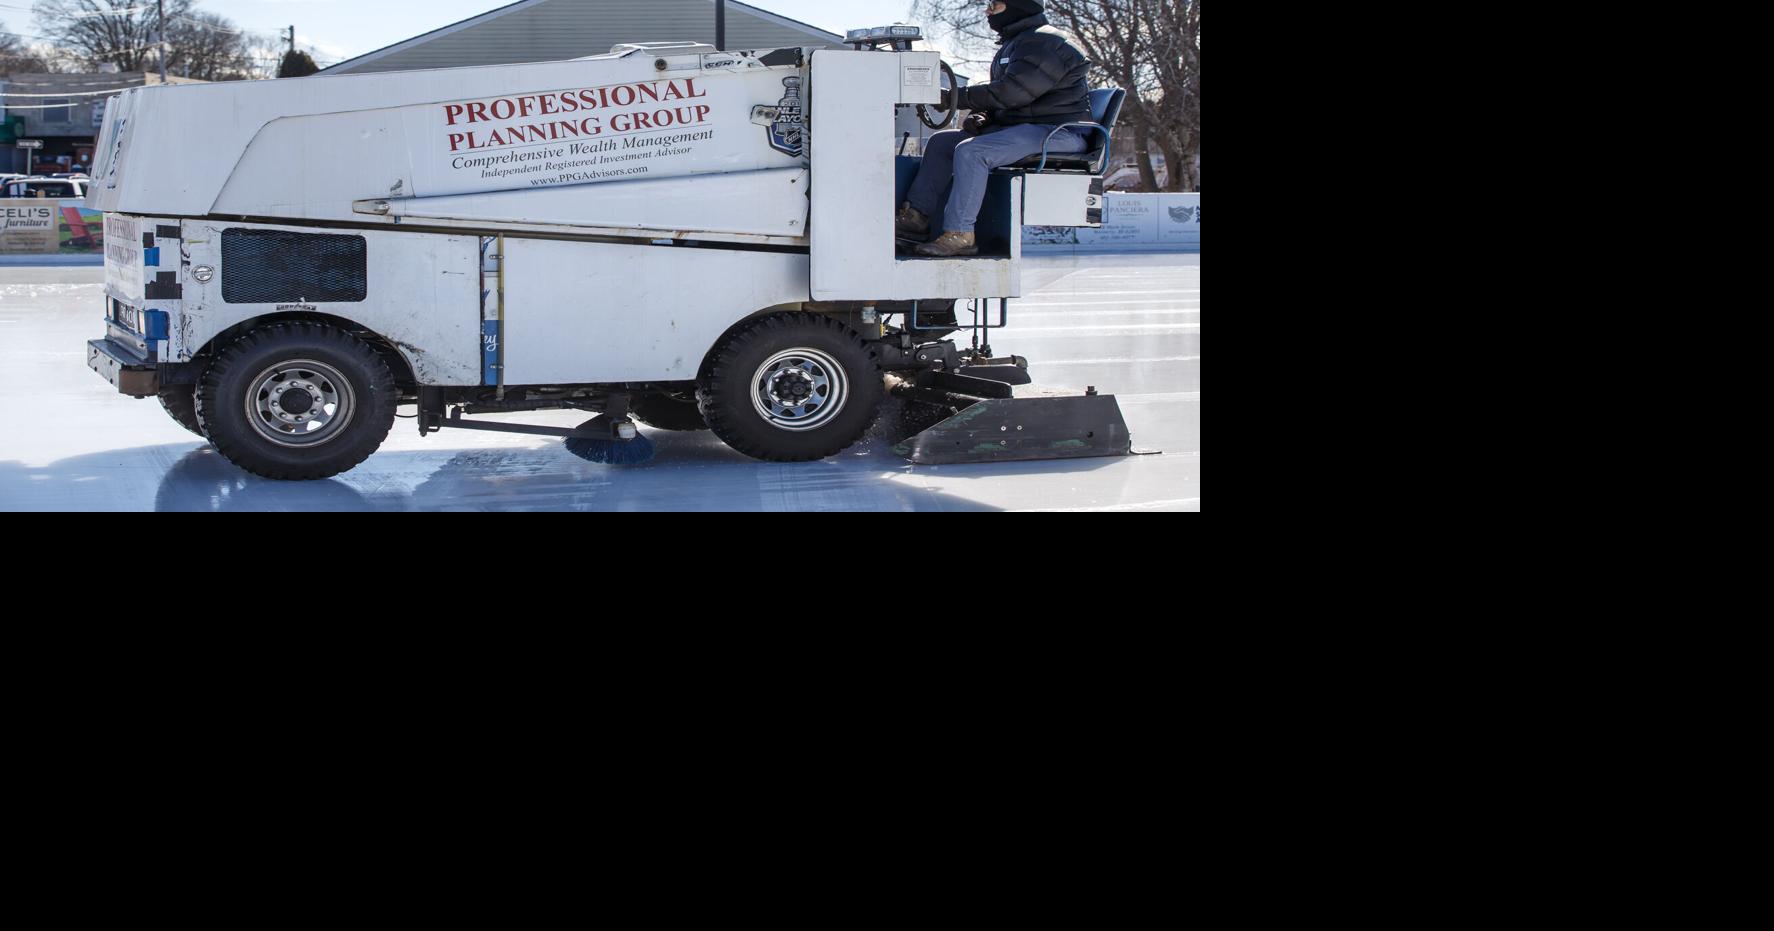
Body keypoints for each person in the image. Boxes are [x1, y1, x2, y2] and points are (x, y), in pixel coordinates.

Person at [898, 0, 1093, 257]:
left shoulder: (1047, 43)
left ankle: (960, 234)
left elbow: (1014, 93)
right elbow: (1012, 98)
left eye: (995, 4)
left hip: (1059, 132)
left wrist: (955, 98)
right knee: (942, 143)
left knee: (973, 151)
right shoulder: (1018, 43)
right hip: (1025, 127)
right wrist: (984, 116)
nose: (987, 10)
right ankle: (916, 218)